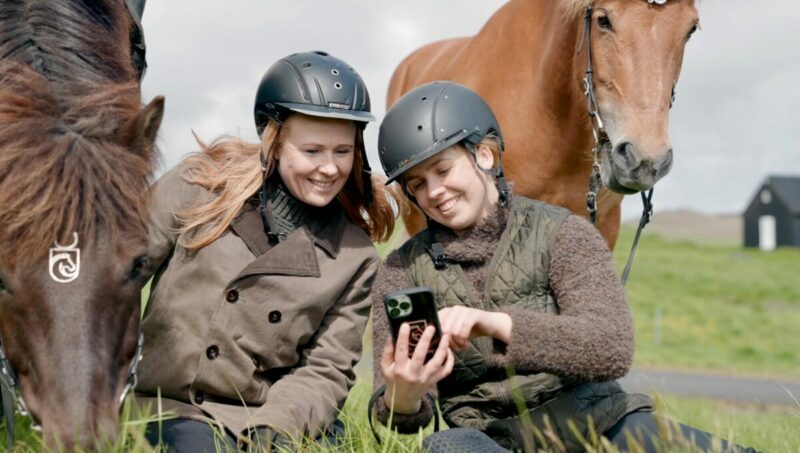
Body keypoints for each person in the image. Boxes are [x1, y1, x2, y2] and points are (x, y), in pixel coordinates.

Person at [370, 81, 757, 452]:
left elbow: (611, 347)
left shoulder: (564, 233)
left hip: (599, 427)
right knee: (443, 448)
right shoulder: (401, 270)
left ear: (484, 155)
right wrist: (403, 394)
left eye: (443, 170)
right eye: (417, 184)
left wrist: (492, 323)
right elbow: (400, 420)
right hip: (489, 440)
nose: (434, 192)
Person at [135, 50, 394, 452]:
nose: (329, 168)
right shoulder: (197, 185)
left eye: (342, 151)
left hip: (258, 422)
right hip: (166, 408)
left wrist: (273, 432)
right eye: (312, 151)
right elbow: (114, 275)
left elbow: (325, 370)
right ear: (274, 142)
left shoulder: (356, 257)